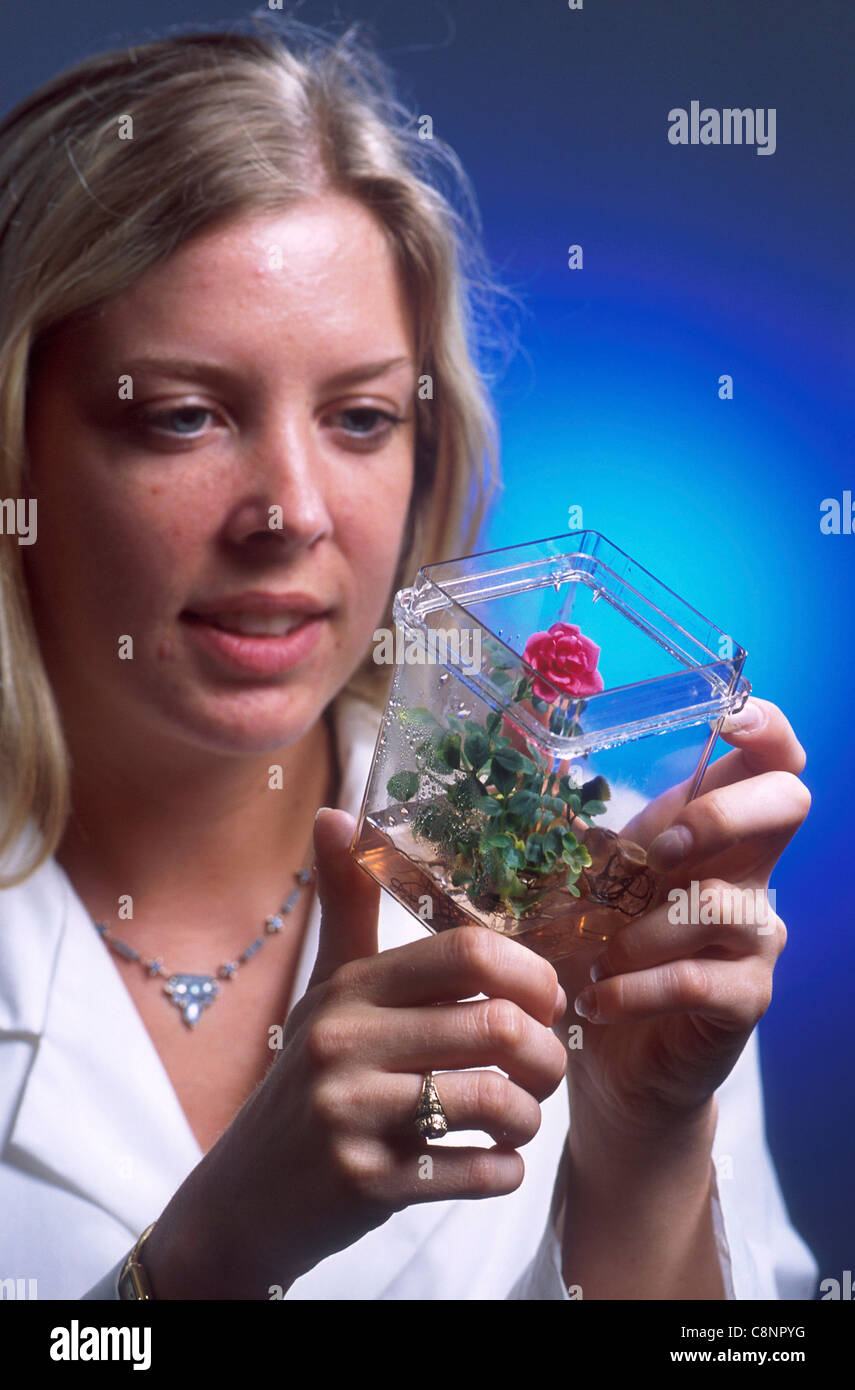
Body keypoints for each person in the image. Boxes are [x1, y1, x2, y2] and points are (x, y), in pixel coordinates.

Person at [0, 21, 817, 1300]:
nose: (292, 511)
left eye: (361, 417)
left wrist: (645, 1147)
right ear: (17, 452)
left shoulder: (609, 890)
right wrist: (207, 1262)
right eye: (184, 415)